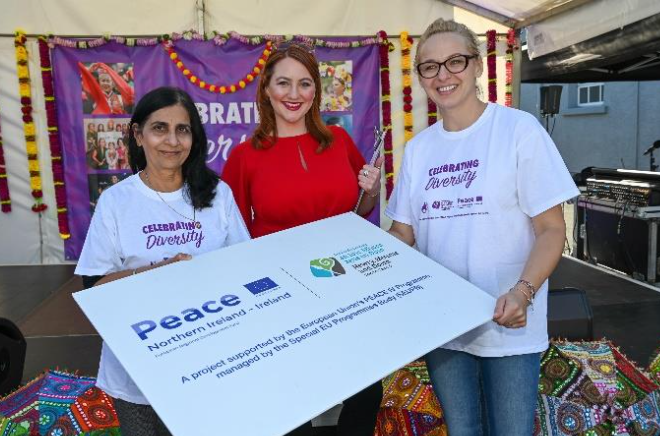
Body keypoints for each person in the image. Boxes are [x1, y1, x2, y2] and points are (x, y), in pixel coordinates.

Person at [385, 19, 579, 436]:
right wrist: (356, 256)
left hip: (508, 321)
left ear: (477, 67)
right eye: (430, 67)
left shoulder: (517, 131)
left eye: (455, 61)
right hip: (445, 325)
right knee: (462, 431)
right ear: (420, 78)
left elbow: (551, 229)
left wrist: (523, 291)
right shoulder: (419, 151)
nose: (443, 75)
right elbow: (402, 235)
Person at [222, 43, 383, 436]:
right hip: (282, 295)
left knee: (366, 389)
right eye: (284, 83)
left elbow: (358, 212)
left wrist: (373, 191)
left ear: (316, 91)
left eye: (304, 83)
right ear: (265, 90)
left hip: (342, 284)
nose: (294, 94)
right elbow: (233, 235)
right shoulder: (245, 156)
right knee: (294, 398)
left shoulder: (339, 141)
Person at [75, 86, 250, 436]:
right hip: (139, 366)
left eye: (182, 129)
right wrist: (157, 272)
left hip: (211, 361)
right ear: (138, 135)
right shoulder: (116, 202)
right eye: (159, 128)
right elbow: (93, 288)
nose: (172, 140)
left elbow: (245, 265)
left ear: (194, 138)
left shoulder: (218, 194)